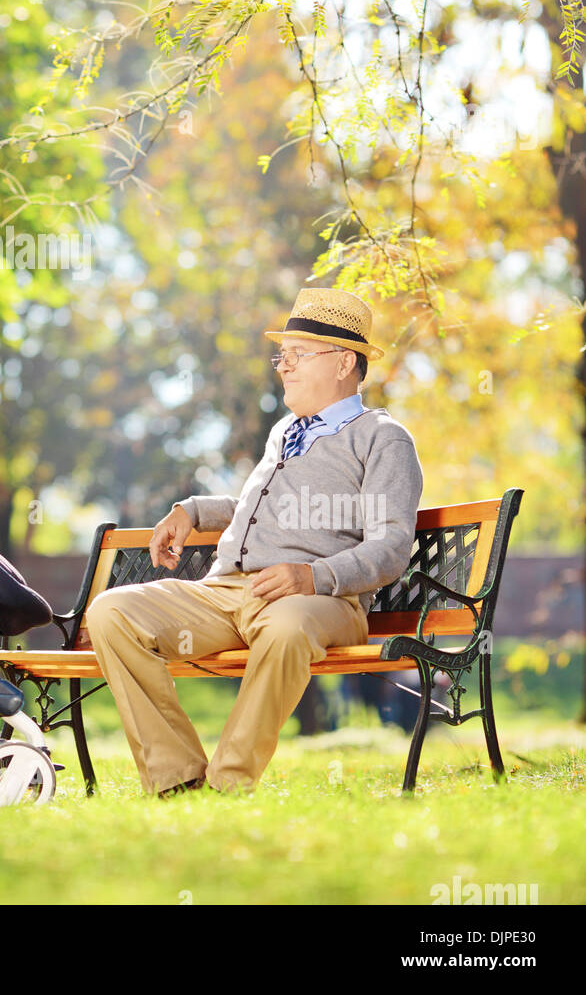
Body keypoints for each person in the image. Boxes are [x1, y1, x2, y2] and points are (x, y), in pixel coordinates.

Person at [83, 287, 423, 798]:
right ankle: (176, 778)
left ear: (344, 362)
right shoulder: (284, 431)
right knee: (111, 612)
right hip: (227, 592)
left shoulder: (382, 437)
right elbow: (253, 506)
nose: (283, 367)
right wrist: (192, 511)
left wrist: (312, 575)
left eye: (297, 355)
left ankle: (229, 782)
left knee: (287, 627)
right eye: (282, 356)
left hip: (321, 601)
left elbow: (392, 547)